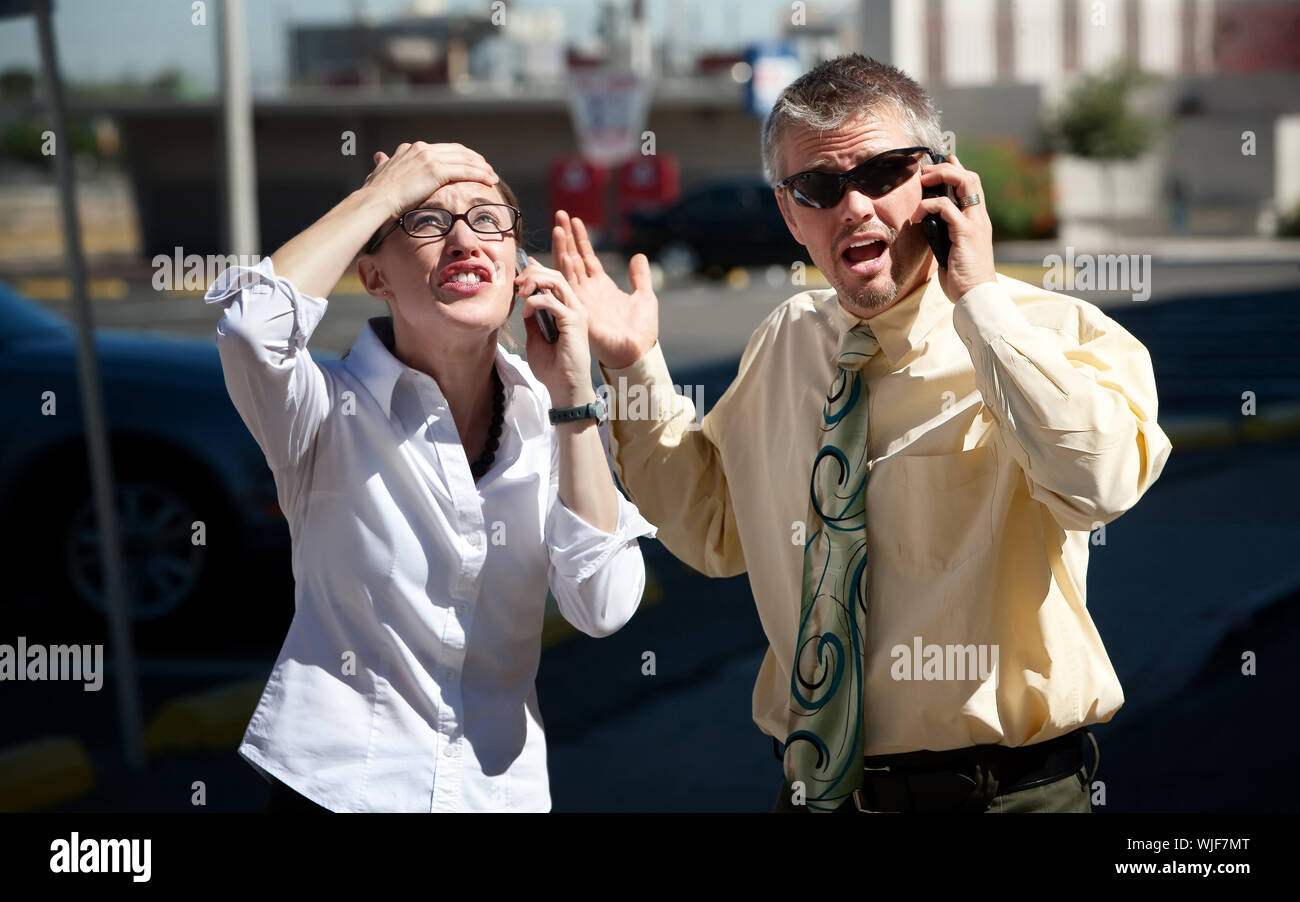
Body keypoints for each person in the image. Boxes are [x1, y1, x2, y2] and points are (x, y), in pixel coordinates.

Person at [553, 54, 1172, 813]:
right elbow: (714, 528)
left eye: (882, 173)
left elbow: (1098, 483)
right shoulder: (786, 340)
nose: (854, 207)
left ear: (940, 179)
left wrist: (980, 306)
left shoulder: (1056, 332)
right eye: (818, 187)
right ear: (789, 214)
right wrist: (634, 366)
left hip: (1000, 797)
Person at [203, 141, 656, 812]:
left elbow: (604, 606)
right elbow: (249, 332)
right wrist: (380, 196)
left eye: (488, 219)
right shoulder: (325, 408)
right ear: (375, 277)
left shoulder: (552, 412)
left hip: (498, 795)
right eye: (425, 221)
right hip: (336, 793)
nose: (464, 238)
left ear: (516, 269)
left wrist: (575, 394)